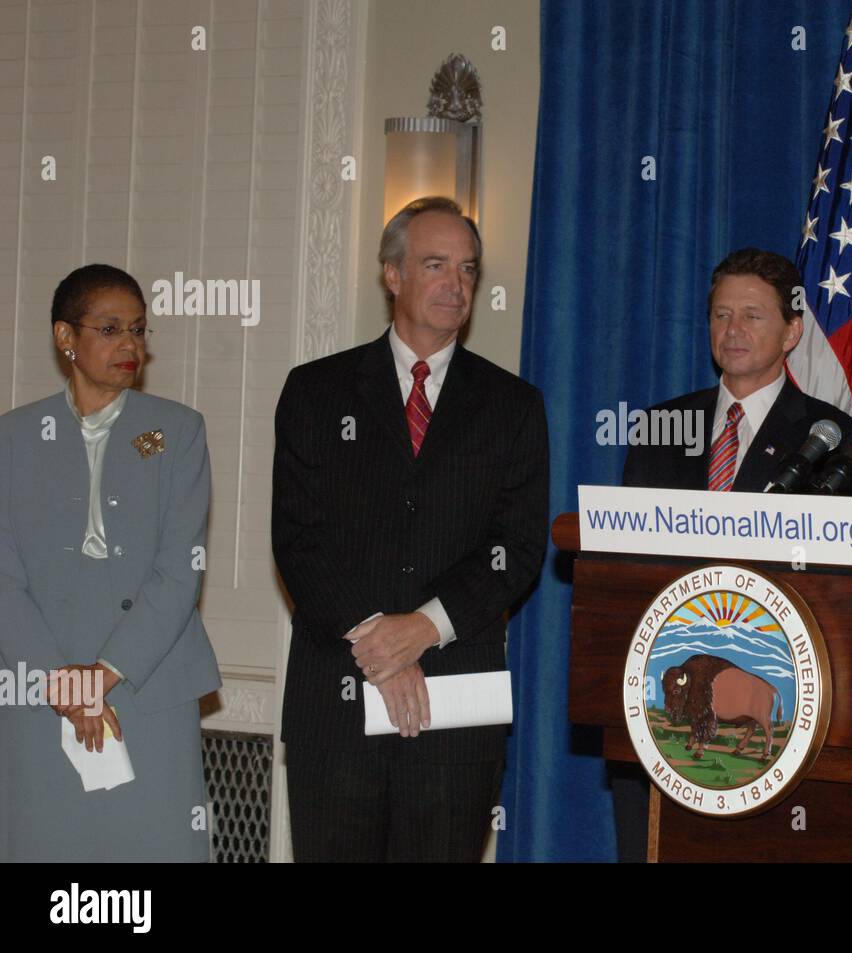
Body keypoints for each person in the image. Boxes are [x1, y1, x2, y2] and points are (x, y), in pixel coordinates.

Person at [273, 196, 548, 862]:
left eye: (469, 269)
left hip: (454, 716)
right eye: (436, 264)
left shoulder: (513, 405)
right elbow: (299, 541)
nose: (457, 285)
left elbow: (516, 550)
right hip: (336, 706)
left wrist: (422, 627)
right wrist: (378, 639)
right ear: (392, 274)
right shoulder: (316, 391)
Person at [615, 247, 852, 861]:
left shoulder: (833, 441)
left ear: (792, 331)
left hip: (786, 689)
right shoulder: (659, 426)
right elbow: (621, 569)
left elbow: (842, 591)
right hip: (658, 684)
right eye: (721, 315)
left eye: (753, 316)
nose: (733, 331)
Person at [0, 264, 220, 861]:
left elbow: (181, 569)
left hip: (147, 681)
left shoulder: (178, 431)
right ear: (64, 337)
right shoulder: (13, 439)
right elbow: (4, 580)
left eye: (139, 330)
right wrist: (64, 681)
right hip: (41, 688)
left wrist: (104, 673)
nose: (131, 345)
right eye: (110, 328)